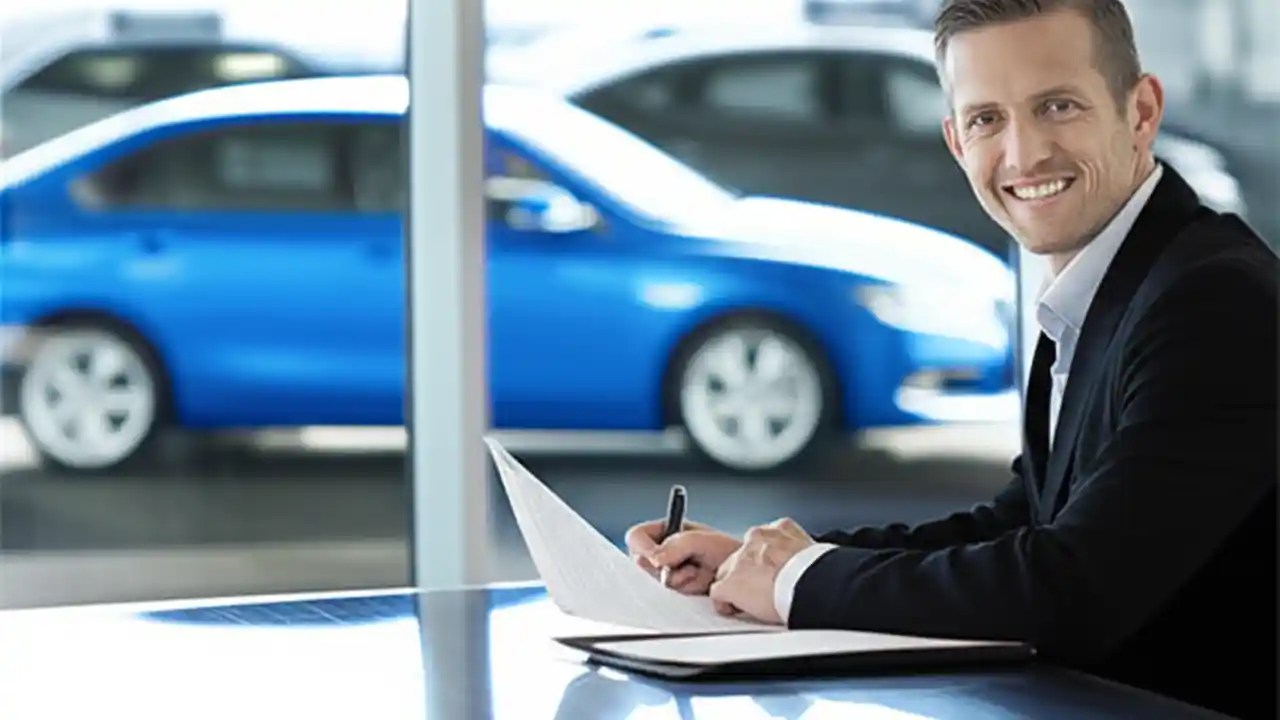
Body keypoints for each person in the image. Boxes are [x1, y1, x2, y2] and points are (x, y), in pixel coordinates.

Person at [625, 1, 1278, 717]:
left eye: (1057, 106)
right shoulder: (1110, 288)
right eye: (986, 119)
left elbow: (1073, 589)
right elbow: (1020, 528)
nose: (1024, 154)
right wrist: (762, 561)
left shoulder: (1214, 301)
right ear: (956, 141)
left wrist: (799, 581)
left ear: (1141, 111)